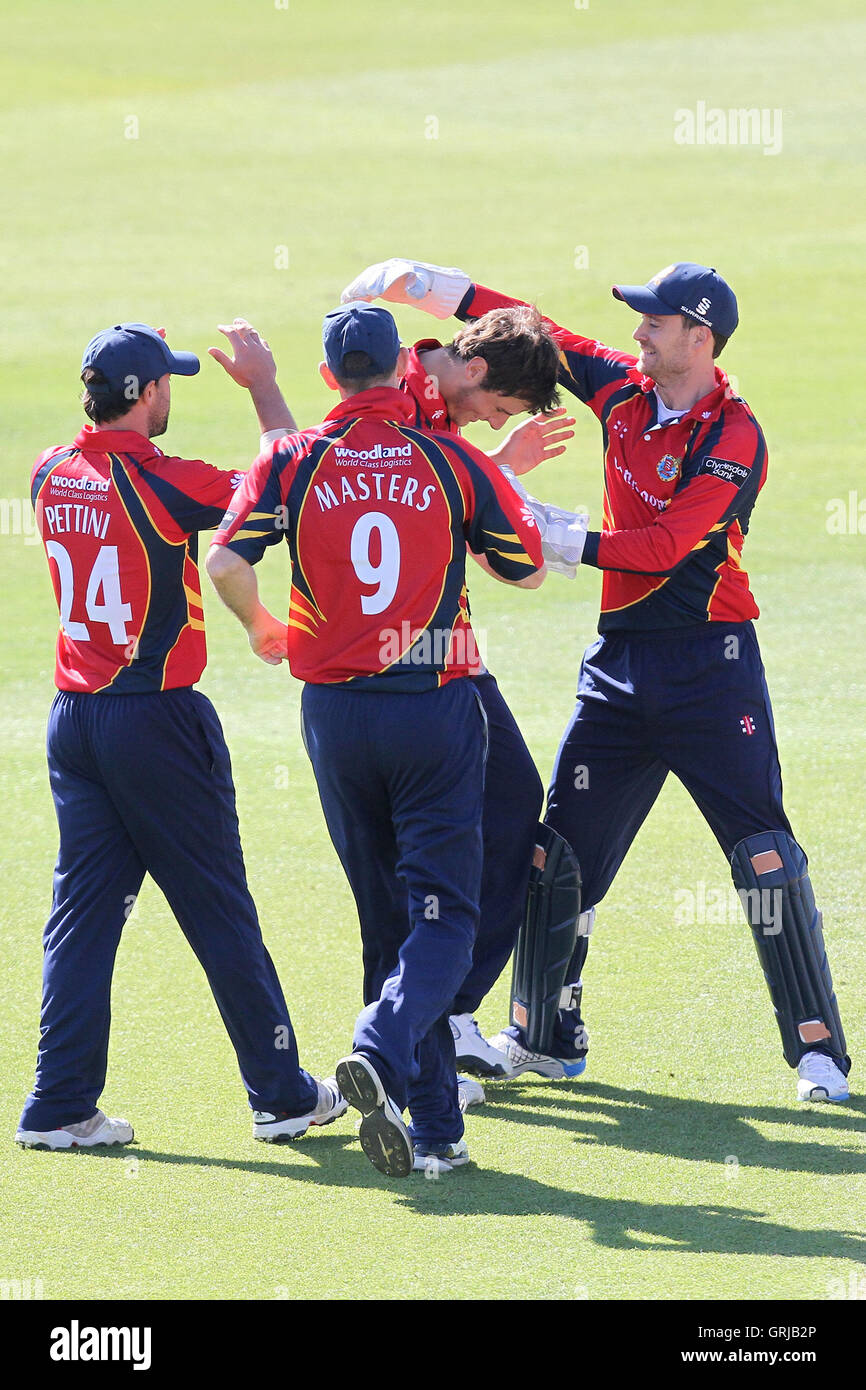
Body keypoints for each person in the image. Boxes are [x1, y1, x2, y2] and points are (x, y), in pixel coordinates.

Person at [347, 258, 852, 1105]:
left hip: (711, 667)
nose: (637, 333)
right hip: (619, 666)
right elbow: (531, 329)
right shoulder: (620, 385)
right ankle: (544, 1038)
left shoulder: (734, 435)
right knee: (556, 855)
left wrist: (545, 530)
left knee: (762, 854)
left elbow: (662, 550)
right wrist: (430, 285)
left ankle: (818, 1051)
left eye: (655, 323)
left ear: (700, 338)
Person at [206, 303, 545, 1177]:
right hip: (433, 706)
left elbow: (226, 563)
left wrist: (262, 631)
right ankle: (382, 1042)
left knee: (386, 918)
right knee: (446, 918)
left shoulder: (292, 458)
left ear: (330, 379)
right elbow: (527, 565)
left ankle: (434, 1130)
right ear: (404, 371)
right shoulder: (451, 460)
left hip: (335, 716)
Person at [16, 320, 346, 1151]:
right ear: (146, 394)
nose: (172, 394)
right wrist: (266, 389)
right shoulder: (169, 483)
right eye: (167, 382)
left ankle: (59, 1106)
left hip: (76, 722)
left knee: (83, 918)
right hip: (156, 722)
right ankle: (280, 1094)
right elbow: (292, 483)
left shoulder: (49, 471)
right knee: (218, 909)